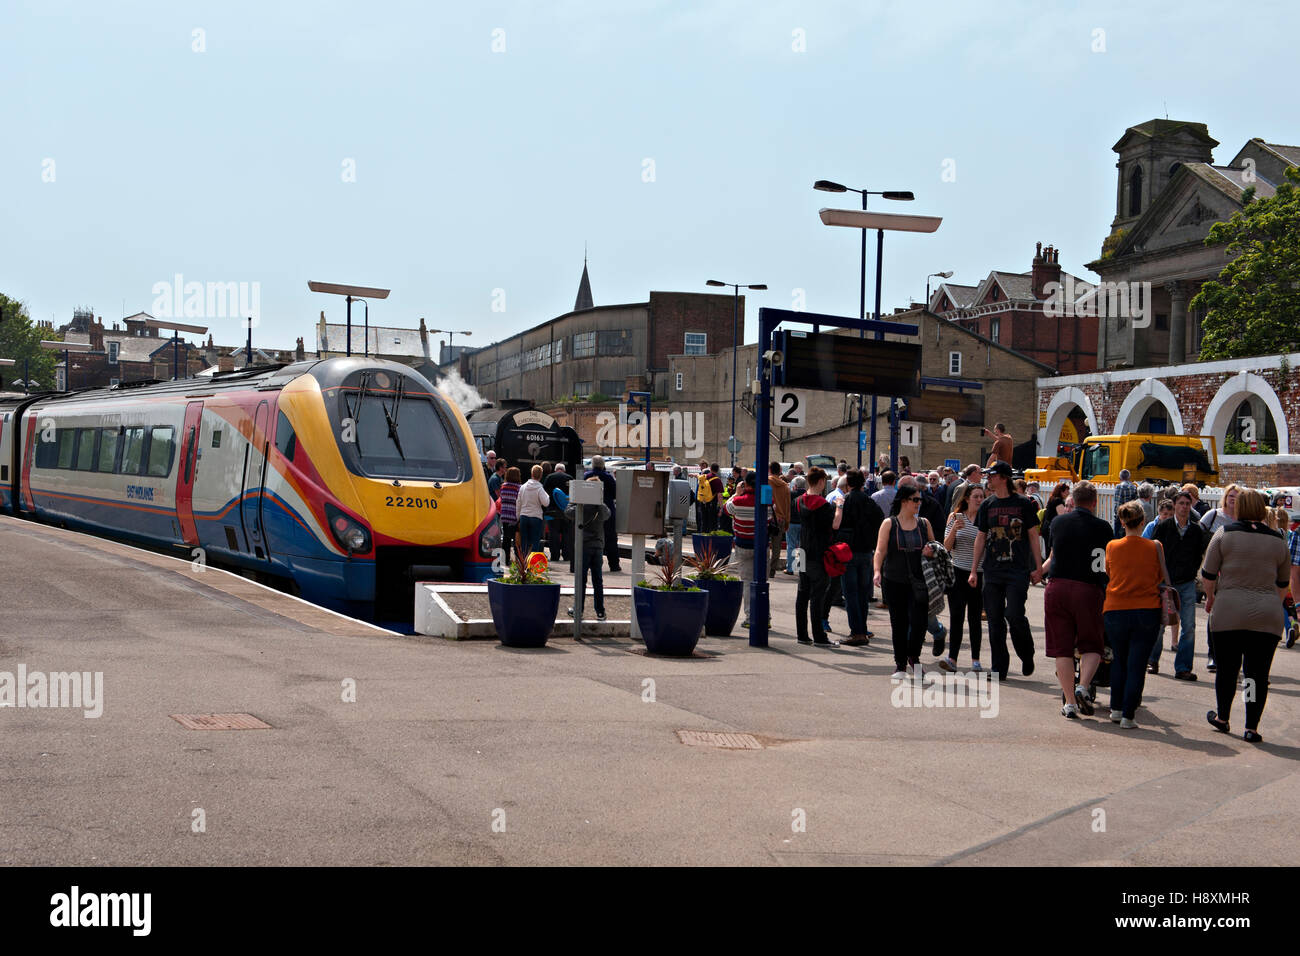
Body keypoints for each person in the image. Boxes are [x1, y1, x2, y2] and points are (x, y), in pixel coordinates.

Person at [1203, 489, 1290, 743]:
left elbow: (1208, 574)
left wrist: (1210, 598)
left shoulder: (1224, 534)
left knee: (1228, 669)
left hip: (1229, 610)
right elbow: (1282, 583)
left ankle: (1223, 716)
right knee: (1256, 674)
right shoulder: (1277, 540)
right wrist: (1270, 600)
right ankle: (1251, 726)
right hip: (1266, 614)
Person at [1042, 481, 1113, 718]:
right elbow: (1103, 563)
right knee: (1092, 644)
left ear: (1073, 499)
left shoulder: (1059, 522)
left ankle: (1069, 702)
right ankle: (1083, 685)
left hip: (1058, 586)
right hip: (1088, 588)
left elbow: (1053, 553)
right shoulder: (1104, 528)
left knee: (1062, 649)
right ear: (1094, 502)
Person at [968, 461, 1043, 681]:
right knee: (994, 620)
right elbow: (980, 538)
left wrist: (1038, 567)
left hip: (1017, 570)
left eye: (991, 475)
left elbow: (1032, 535)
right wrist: (974, 570)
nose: (987, 479)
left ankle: (1026, 654)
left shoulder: (1023, 503)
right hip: (992, 570)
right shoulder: (987, 505)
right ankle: (999, 667)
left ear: (1003, 477)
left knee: (1014, 615)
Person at [1103, 501, 1169, 730]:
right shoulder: (1154, 547)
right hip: (1145, 609)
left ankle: (1116, 708)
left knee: (1119, 660)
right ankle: (1128, 714)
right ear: (1143, 522)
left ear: (1122, 521)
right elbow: (1161, 576)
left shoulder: (1112, 546)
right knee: (1137, 663)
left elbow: (1109, 572)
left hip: (1115, 608)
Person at [874, 482, 938, 679]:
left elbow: (936, 549)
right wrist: (877, 571)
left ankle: (914, 658)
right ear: (904, 501)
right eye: (915, 500)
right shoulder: (889, 523)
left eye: (920, 500)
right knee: (899, 623)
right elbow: (880, 550)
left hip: (919, 581)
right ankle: (900, 664)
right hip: (894, 580)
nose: (919, 503)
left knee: (919, 623)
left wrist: (930, 551)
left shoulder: (924, 524)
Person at [1148, 490, 1207, 681]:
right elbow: (1154, 553)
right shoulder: (1163, 527)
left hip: (1187, 583)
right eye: (1180, 503)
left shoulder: (1196, 530)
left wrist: (1191, 571)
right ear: (1174, 506)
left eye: (1187, 504)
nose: (1184, 507)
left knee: (1188, 626)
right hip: (1165, 583)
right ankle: (1153, 659)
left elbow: (1199, 553)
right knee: (1160, 624)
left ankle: (1183, 667)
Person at [940, 482, 986, 672]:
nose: (979, 500)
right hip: (957, 571)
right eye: (976, 496)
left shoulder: (985, 519)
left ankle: (976, 659)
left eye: (982, 496)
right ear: (966, 498)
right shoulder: (955, 517)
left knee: (975, 617)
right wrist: (954, 530)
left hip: (979, 573)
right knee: (956, 617)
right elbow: (946, 547)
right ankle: (953, 659)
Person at [794, 467, 840, 648]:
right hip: (818, 552)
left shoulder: (798, 501)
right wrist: (840, 506)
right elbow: (835, 524)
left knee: (802, 593)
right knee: (818, 595)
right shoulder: (823, 504)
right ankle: (819, 636)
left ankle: (802, 634)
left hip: (800, 550)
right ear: (821, 482)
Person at [837, 469, 884, 646]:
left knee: (850, 593)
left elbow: (837, 523)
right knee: (863, 593)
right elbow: (880, 519)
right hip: (866, 552)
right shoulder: (869, 501)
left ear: (848, 484)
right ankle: (862, 629)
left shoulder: (845, 501)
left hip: (848, 551)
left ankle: (856, 632)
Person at [566, 477, 611, 621]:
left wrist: (578, 501)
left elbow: (568, 512)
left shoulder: (581, 503)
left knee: (581, 579)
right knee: (598, 580)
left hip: (583, 545)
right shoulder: (600, 505)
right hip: (597, 546)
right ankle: (600, 611)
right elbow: (607, 515)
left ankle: (578, 610)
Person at [725, 472, 763, 629]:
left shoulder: (738, 501)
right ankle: (764, 615)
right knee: (761, 582)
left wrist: (736, 493)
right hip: (760, 545)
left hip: (742, 544)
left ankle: (749, 616)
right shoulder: (765, 501)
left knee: (747, 582)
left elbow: (727, 509)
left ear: (746, 485)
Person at [583, 455, 620, 572]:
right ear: (603, 465)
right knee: (611, 539)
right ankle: (614, 565)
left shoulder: (586, 476)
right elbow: (615, 494)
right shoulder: (609, 478)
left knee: (590, 538)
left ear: (592, 464)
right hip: (607, 511)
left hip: (590, 512)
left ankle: (588, 564)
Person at [516, 464, 551, 558]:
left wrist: (518, 517)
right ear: (540, 475)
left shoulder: (523, 487)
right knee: (534, 543)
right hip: (536, 517)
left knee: (524, 542)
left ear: (531, 473)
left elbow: (518, 503)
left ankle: (523, 564)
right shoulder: (540, 488)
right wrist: (547, 496)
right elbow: (546, 503)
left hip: (524, 516)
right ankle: (532, 566)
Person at [543, 462, 573, 564]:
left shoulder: (549, 477)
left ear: (556, 470)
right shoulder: (570, 477)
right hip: (567, 512)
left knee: (553, 533)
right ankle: (566, 555)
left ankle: (555, 556)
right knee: (567, 533)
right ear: (563, 470)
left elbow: (544, 492)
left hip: (552, 511)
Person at [768, 462, 790, 578]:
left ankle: (764, 567)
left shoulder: (766, 481)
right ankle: (772, 569)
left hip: (768, 517)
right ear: (779, 470)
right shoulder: (785, 486)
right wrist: (787, 522)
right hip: (780, 519)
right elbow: (787, 506)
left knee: (764, 544)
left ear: (770, 470)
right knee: (776, 546)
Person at [498, 466, 522, 564]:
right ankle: (518, 560)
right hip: (515, 516)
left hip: (505, 516)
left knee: (506, 539)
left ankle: (505, 560)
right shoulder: (519, 488)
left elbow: (502, 499)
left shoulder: (503, 486)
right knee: (517, 540)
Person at [785, 475, 807, 574]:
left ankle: (790, 568)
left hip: (791, 523)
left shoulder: (790, 494)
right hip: (803, 523)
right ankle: (801, 568)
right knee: (802, 545)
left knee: (791, 545)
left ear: (795, 485)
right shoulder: (807, 495)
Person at [1112, 469, 1138, 537]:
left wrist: (1116, 515)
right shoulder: (1134, 487)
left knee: (1118, 538)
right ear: (1129, 477)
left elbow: (1118, 503)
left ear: (1120, 478)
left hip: (1121, 516)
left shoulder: (1119, 486)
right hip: (1131, 515)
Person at [694, 459, 715, 533]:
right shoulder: (700, 474)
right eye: (701, 465)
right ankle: (699, 529)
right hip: (698, 497)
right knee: (698, 515)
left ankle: (702, 531)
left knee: (702, 516)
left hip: (704, 499)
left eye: (704, 465)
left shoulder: (707, 475)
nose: (702, 467)